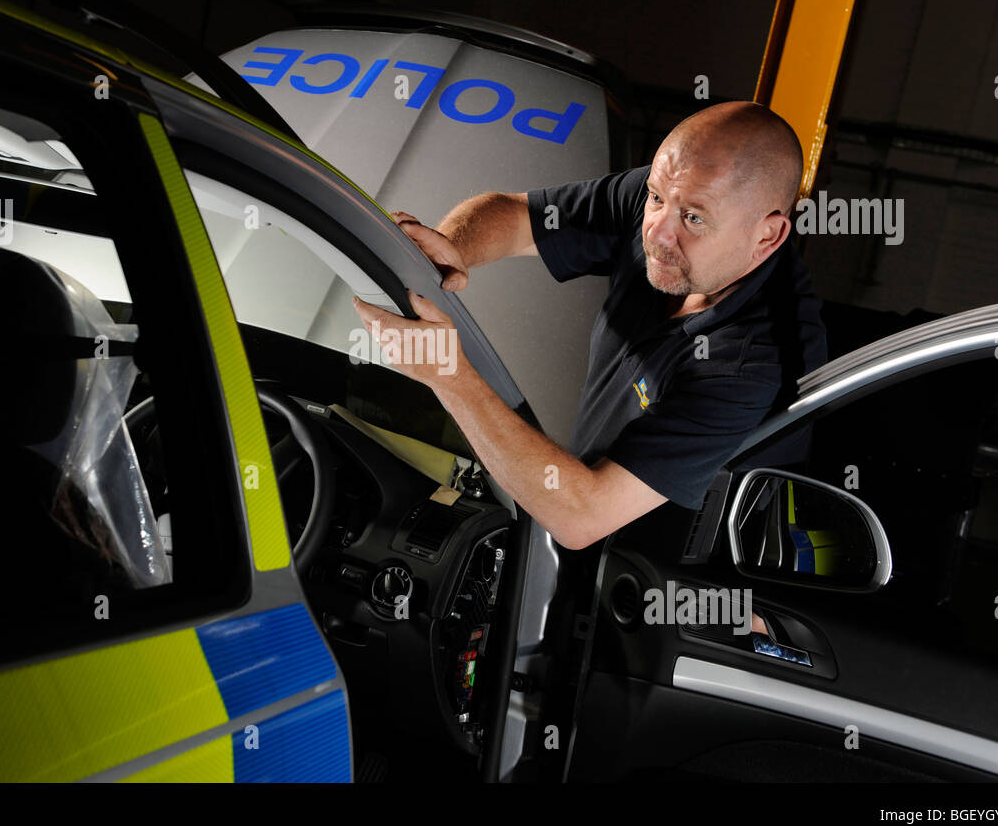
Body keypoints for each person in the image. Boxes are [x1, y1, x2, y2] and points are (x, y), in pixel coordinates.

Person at [351, 100, 826, 552]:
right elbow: (516, 216)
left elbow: (584, 517)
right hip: (562, 537)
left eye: (693, 219)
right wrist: (451, 247)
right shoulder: (673, 197)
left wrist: (448, 376)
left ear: (768, 235)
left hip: (657, 599)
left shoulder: (754, 361)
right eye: (656, 198)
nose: (656, 232)